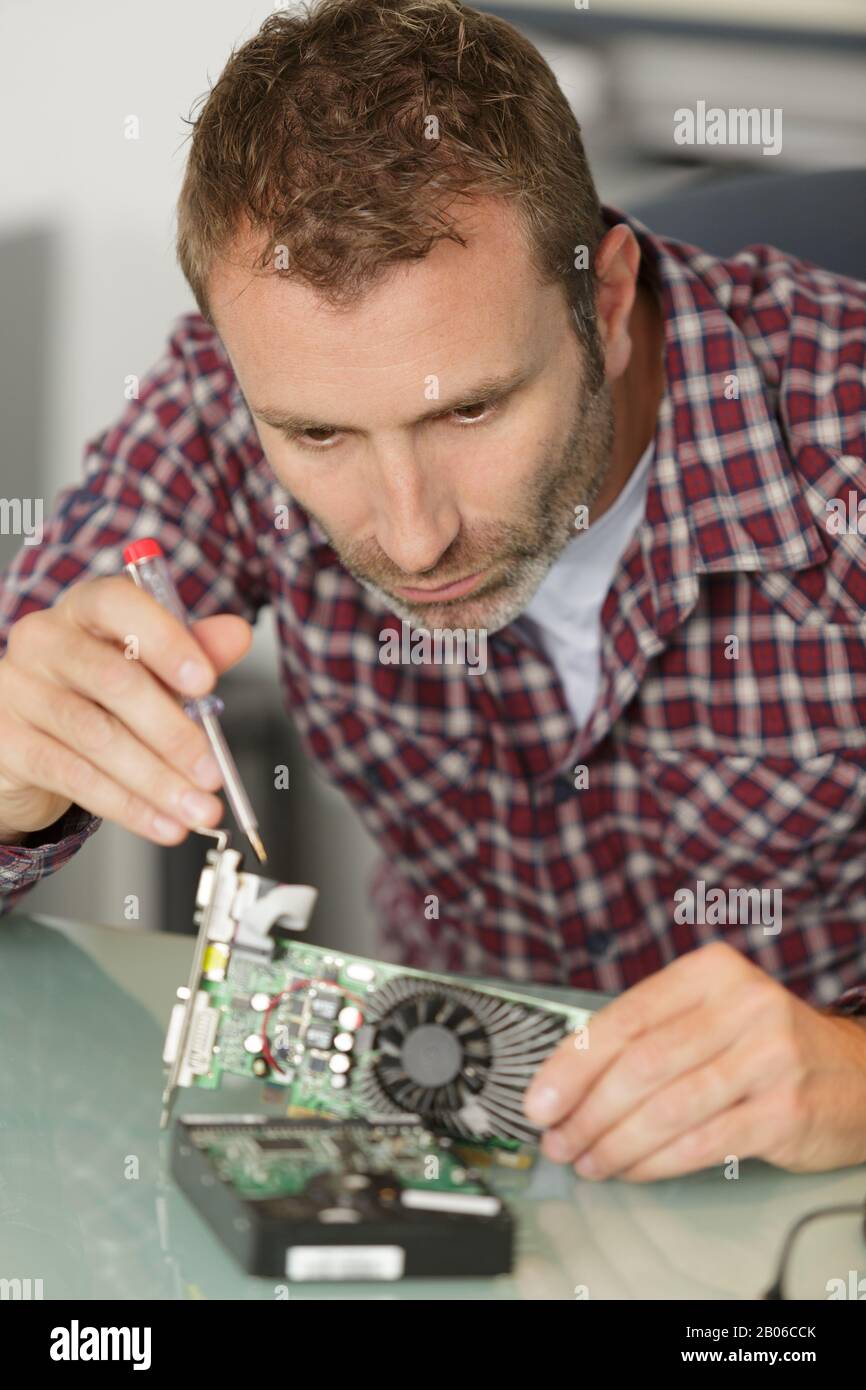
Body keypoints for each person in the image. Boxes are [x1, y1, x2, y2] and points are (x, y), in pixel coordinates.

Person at [1, 0, 865, 1181]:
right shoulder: (225, 401)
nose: (411, 538)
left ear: (607, 303)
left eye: (468, 410)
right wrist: (12, 783)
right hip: (460, 1156)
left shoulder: (842, 436)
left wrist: (851, 1073)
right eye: (318, 436)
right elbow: (38, 686)